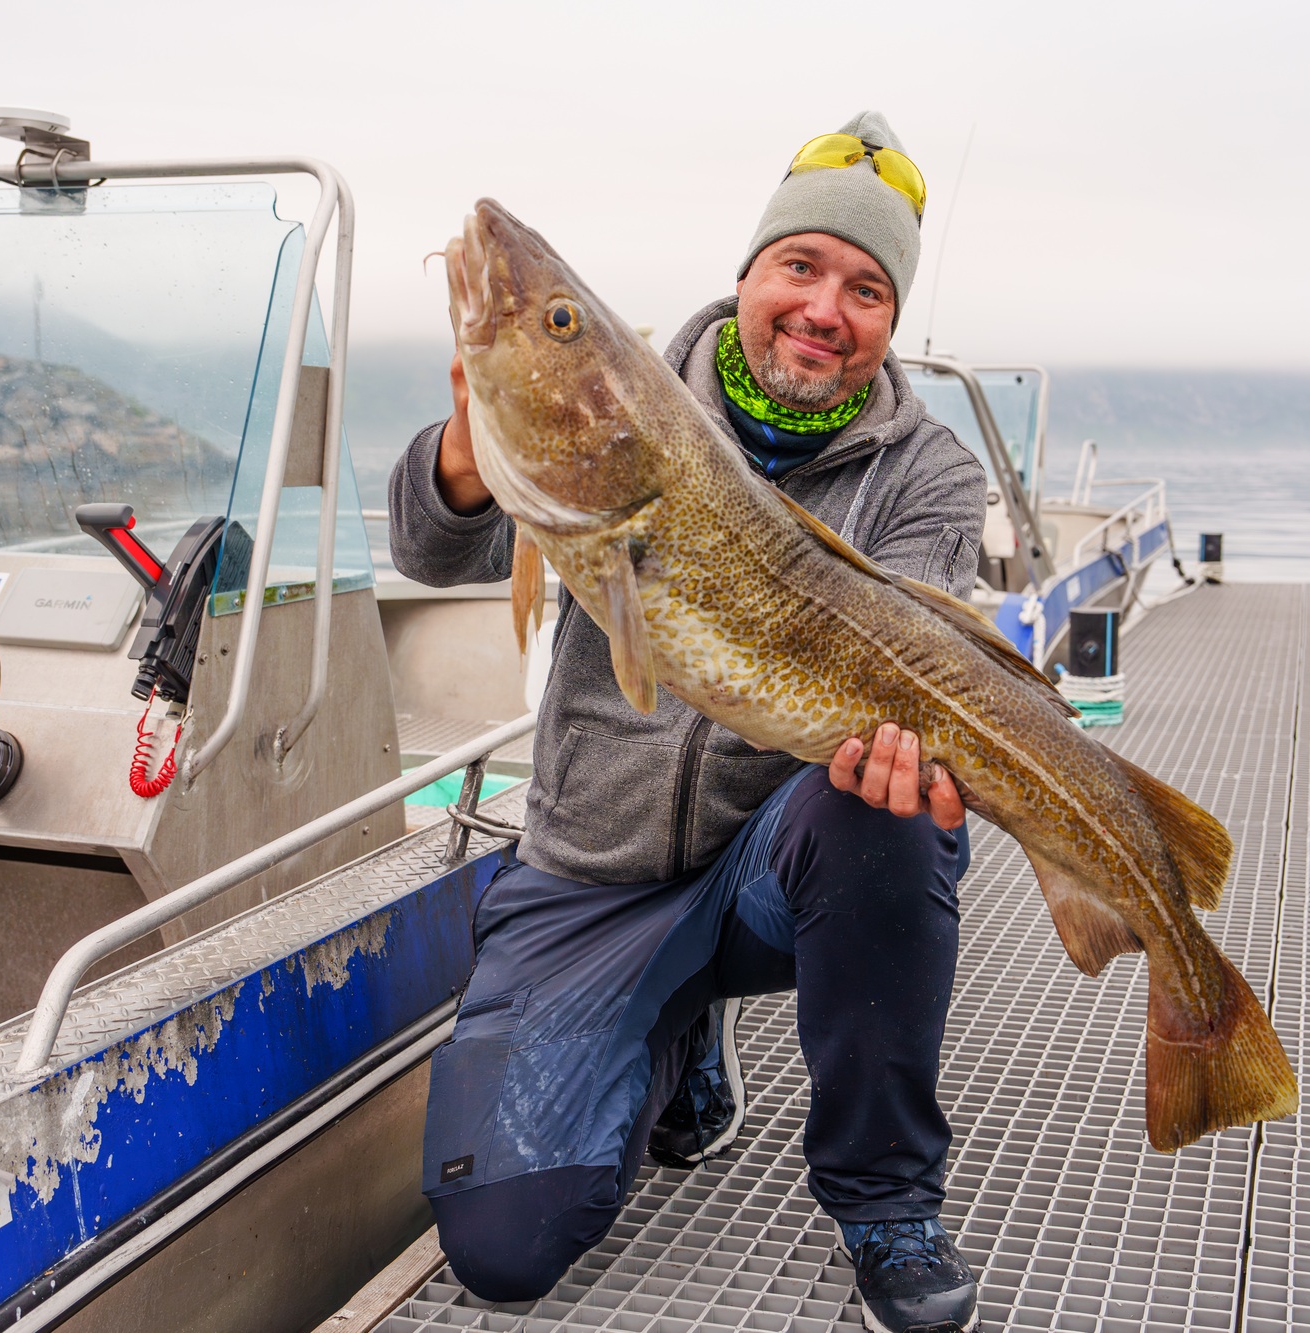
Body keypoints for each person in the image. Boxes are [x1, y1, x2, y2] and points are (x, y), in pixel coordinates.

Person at [388, 111, 988, 1333]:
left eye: (865, 288)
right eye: (801, 267)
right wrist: (467, 445)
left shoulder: (926, 475)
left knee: (885, 819)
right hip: (589, 873)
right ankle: (676, 1033)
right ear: (748, 276)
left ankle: (885, 1203)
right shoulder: (618, 410)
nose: (825, 307)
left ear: (888, 320)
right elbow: (432, 547)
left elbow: (930, 650)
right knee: (503, 1246)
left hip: (772, 863)